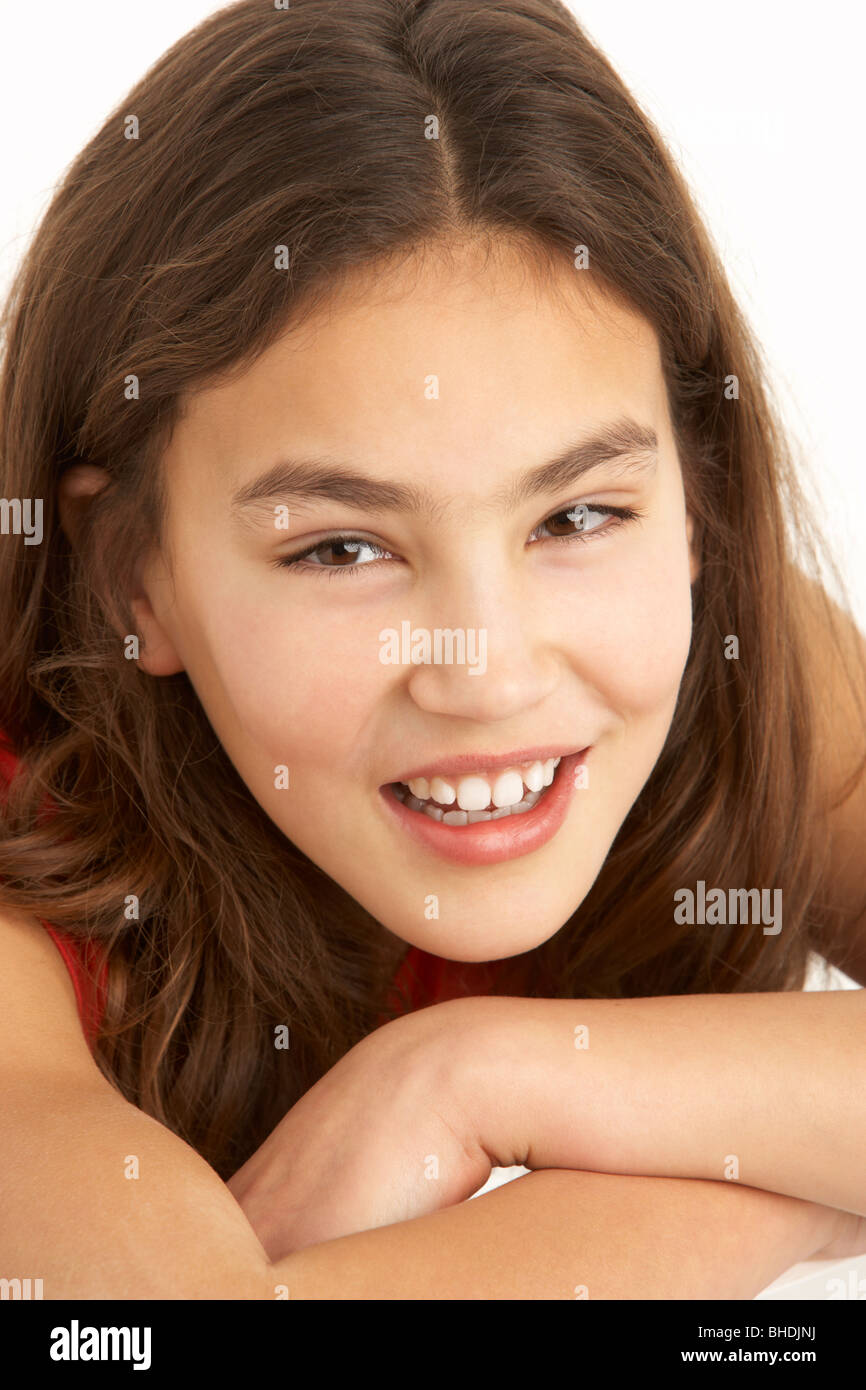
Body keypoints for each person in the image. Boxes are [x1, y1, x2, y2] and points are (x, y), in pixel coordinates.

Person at [1, 0, 865, 1299]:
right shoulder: (31, 861)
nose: (492, 670)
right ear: (139, 574)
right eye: (341, 548)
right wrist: (780, 1188)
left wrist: (474, 1076)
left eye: (575, 513)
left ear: (696, 506)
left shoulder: (734, 659)